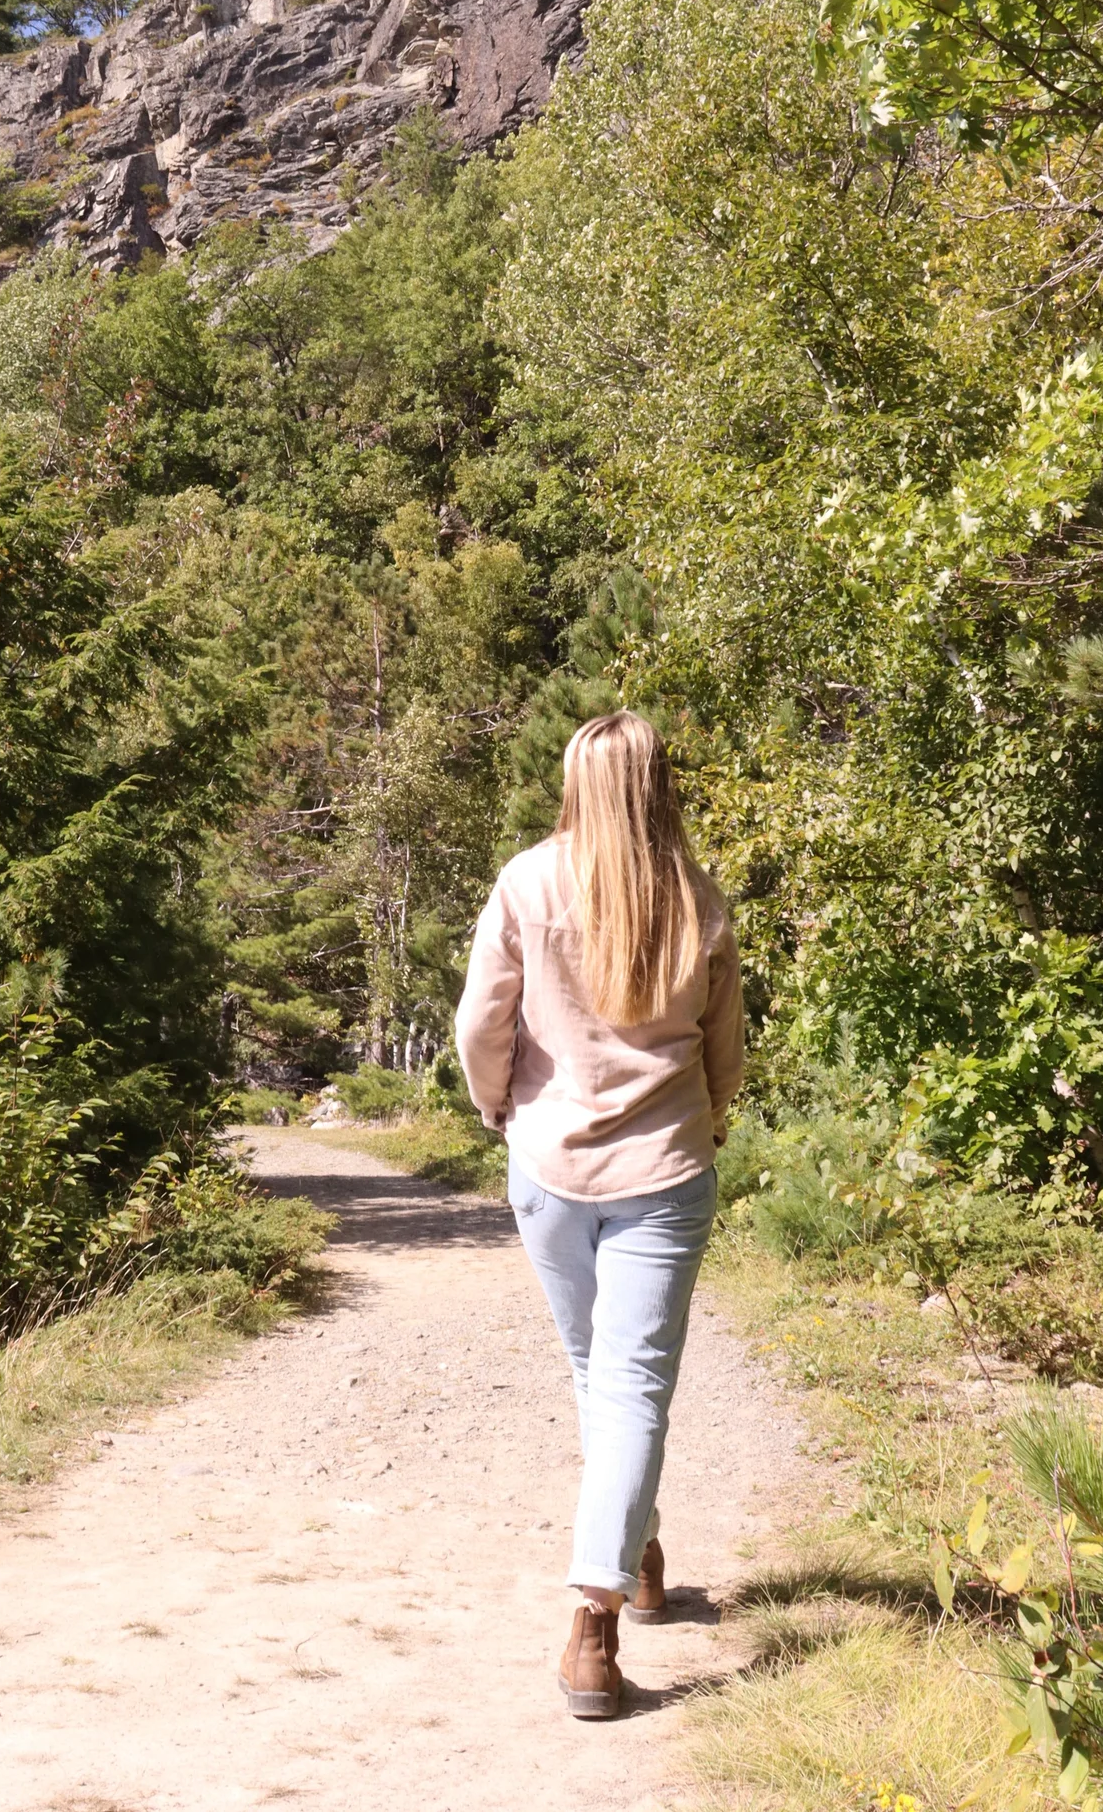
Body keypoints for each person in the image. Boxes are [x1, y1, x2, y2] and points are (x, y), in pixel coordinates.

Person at [454, 710, 744, 1720]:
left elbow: (480, 1025)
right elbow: (725, 1052)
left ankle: (604, 1597)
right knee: (628, 1388)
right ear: (659, 783)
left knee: (602, 1379)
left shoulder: (526, 884)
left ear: (578, 782)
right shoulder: (698, 899)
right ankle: (611, 1585)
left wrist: (502, 1109)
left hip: (548, 1164)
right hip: (664, 1170)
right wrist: (706, 1125)